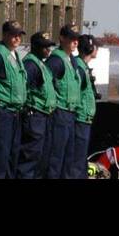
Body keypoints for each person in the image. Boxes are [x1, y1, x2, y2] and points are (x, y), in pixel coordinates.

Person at [0, 21, 26, 178]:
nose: (17, 38)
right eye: (13, 35)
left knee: (12, 157)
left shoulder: (15, 55)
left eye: (19, 35)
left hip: (15, 113)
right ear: (5, 35)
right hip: (2, 112)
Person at [17, 32, 57, 179]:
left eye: (49, 47)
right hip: (35, 116)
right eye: (44, 47)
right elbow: (23, 88)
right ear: (35, 47)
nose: (48, 50)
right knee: (30, 156)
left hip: (44, 116)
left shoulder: (41, 64)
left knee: (41, 158)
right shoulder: (30, 64)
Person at [44, 25, 80, 179]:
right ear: (62, 38)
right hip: (59, 113)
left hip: (71, 113)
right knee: (56, 157)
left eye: (76, 39)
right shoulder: (56, 60)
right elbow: (46, 84)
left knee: (68, 158)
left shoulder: (71, 59)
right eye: (71, 38)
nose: (74, 42)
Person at [68, 34, 99, 179]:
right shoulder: (79, 67)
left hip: (84, 119)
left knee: (81, 161)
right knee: (77, 162)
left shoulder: (82, 67)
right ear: (91, 48)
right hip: (80, 119)